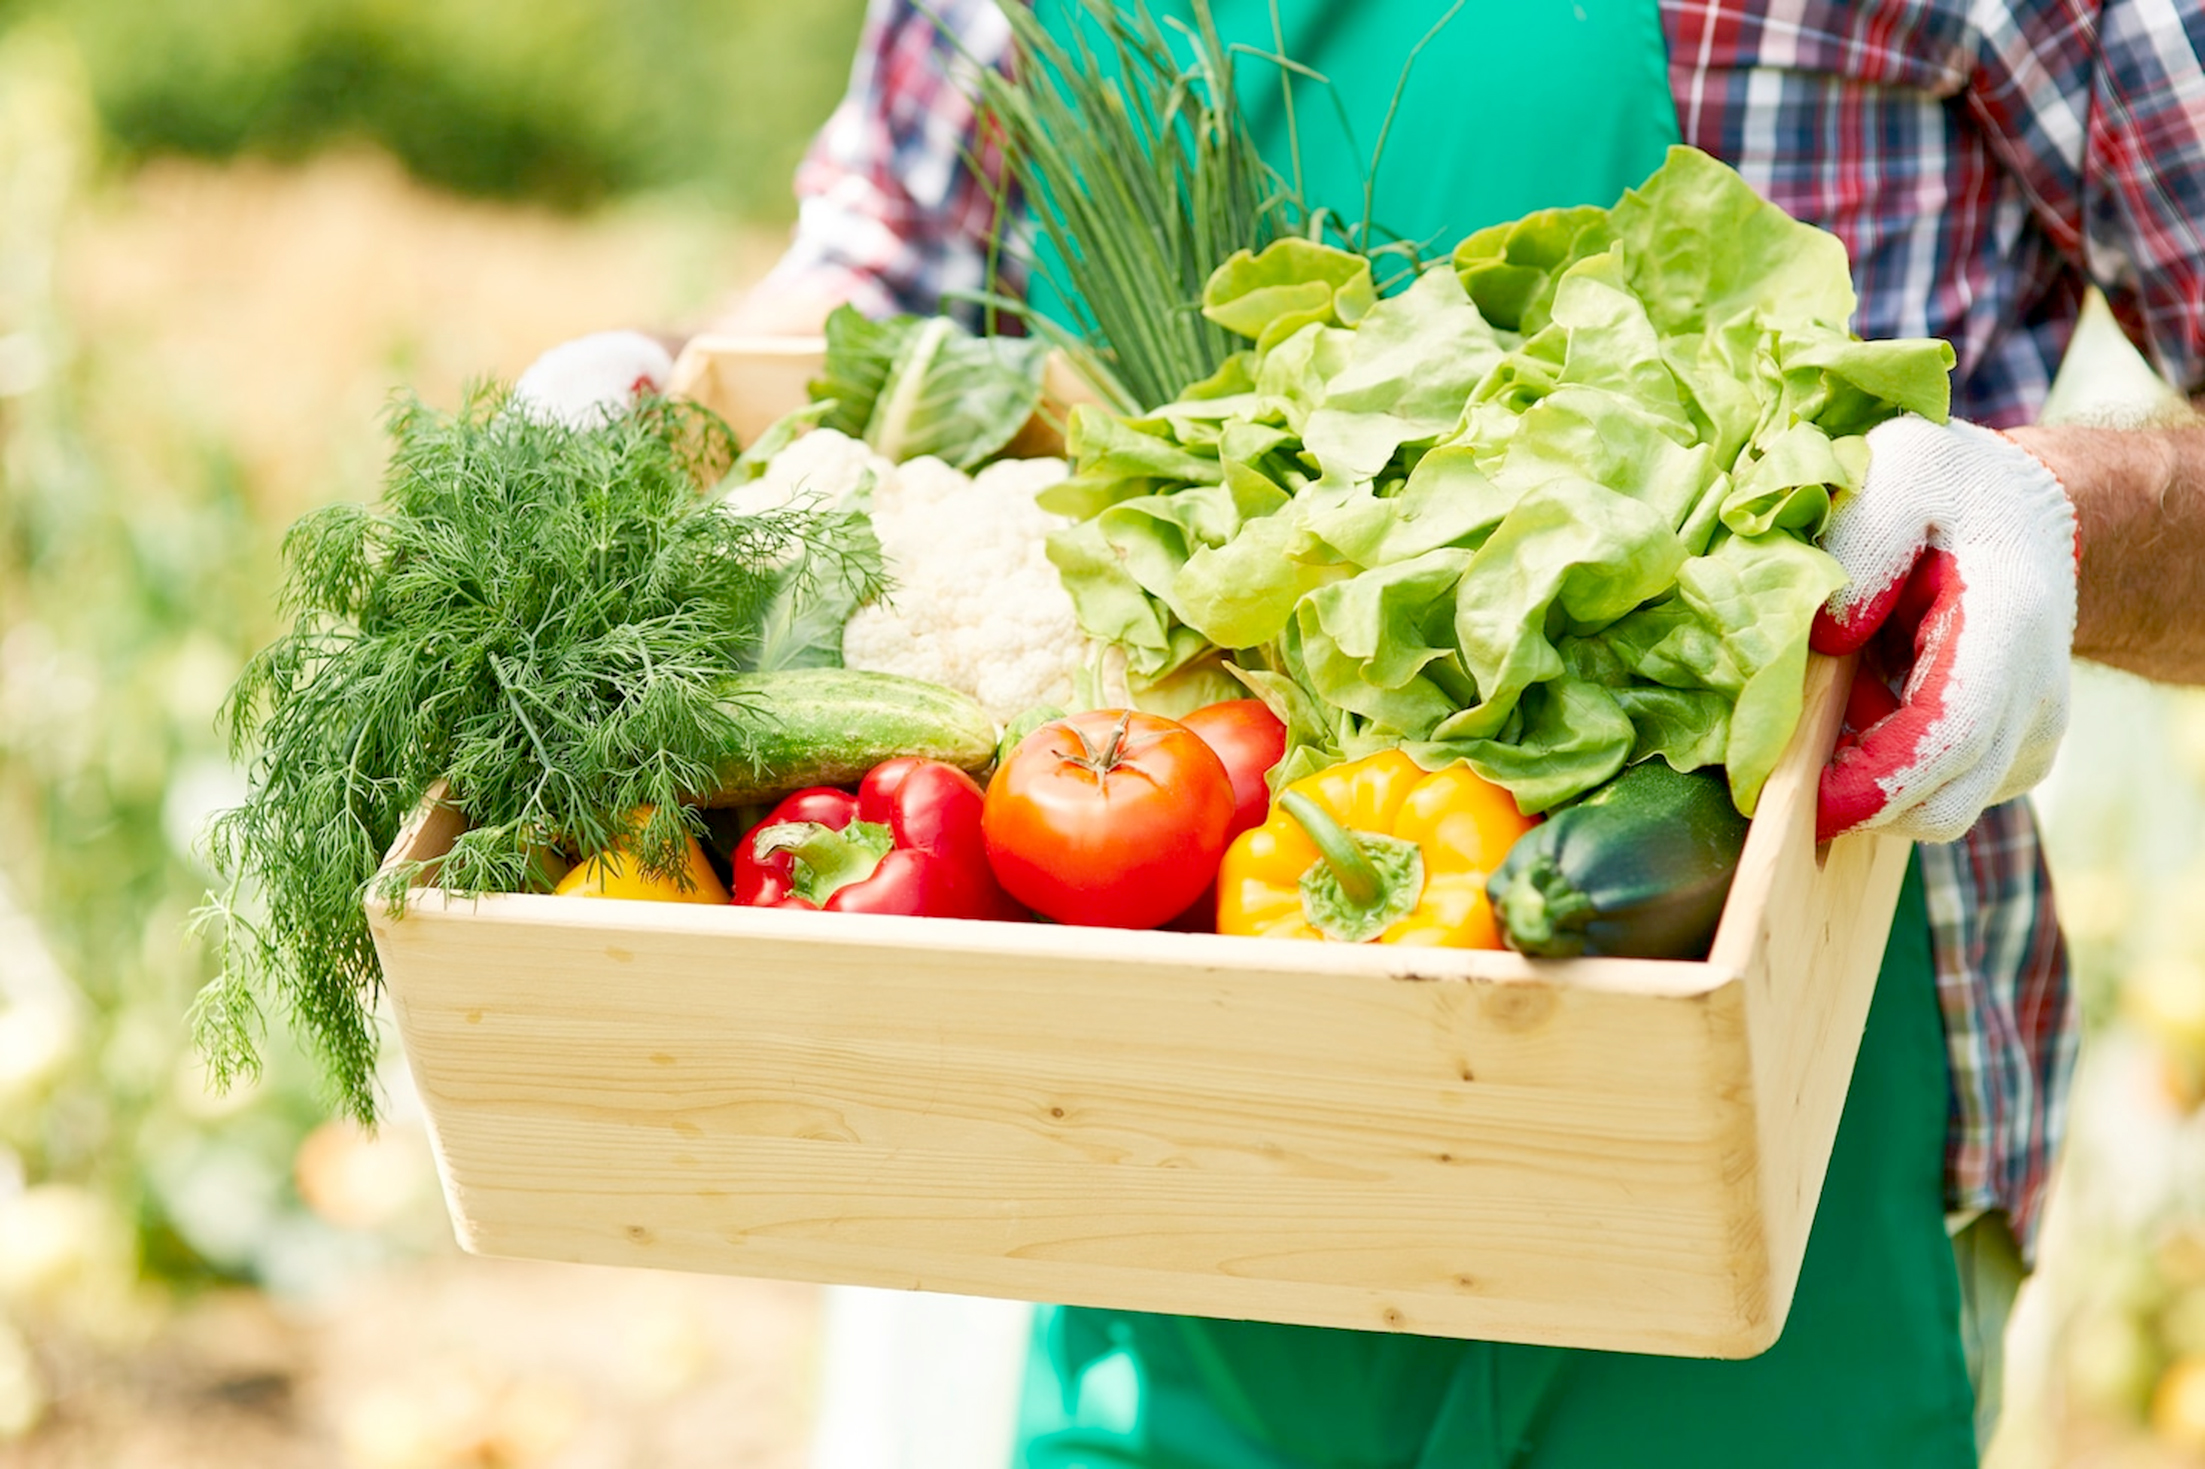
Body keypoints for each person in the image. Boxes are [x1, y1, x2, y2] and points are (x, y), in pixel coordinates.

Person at [525, 2, 2205, 1463]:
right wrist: (659, 392)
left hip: (1779, 1169)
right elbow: (880, 288)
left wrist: (2067, 516)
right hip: (1150, 1184)